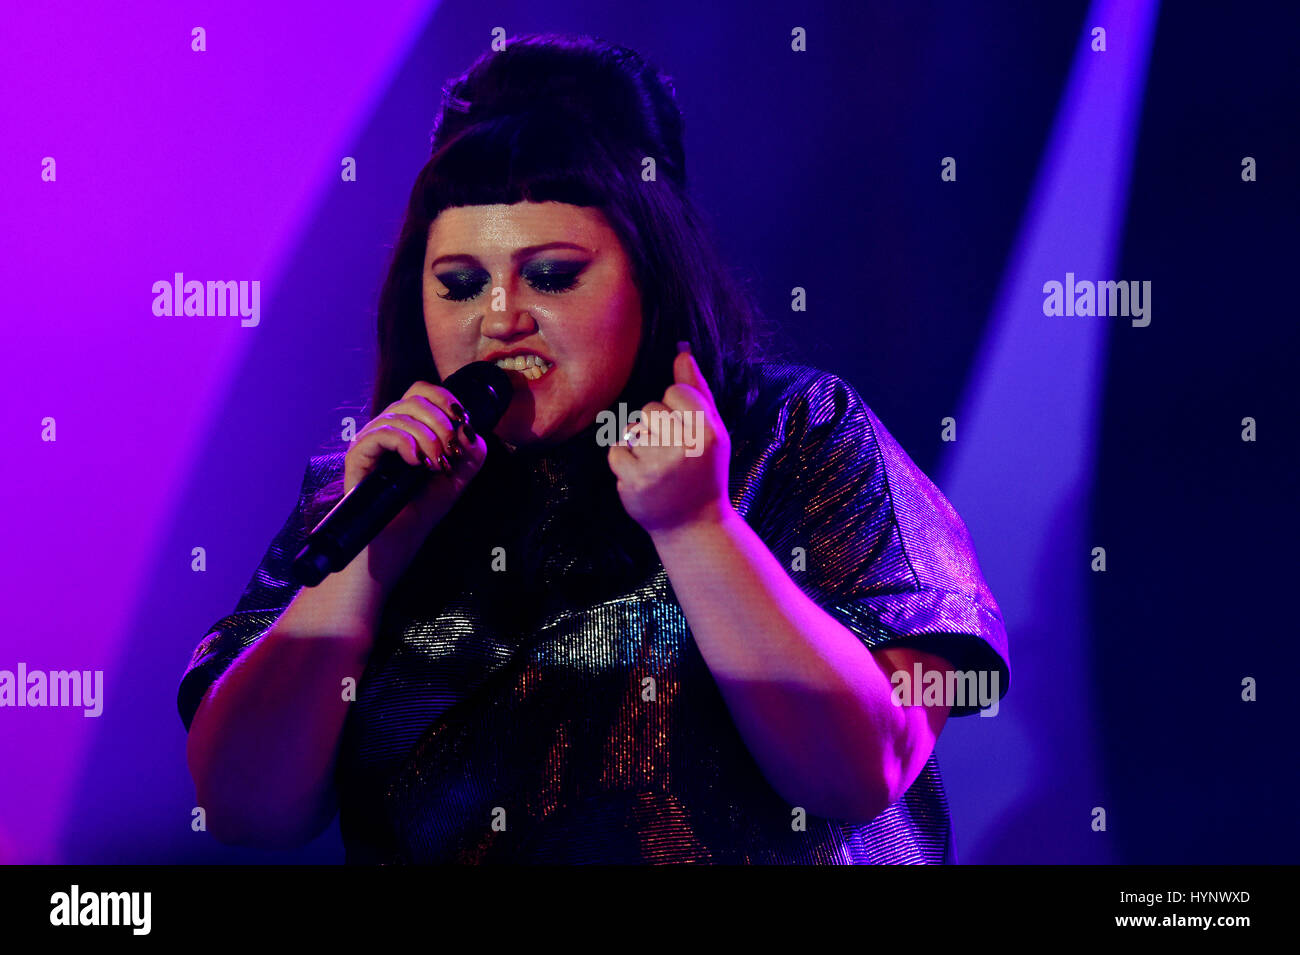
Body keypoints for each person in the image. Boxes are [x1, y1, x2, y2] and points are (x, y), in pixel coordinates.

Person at [178, 32, 1010, 864]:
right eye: (460, 284)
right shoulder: (369, 489)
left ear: (652, 273)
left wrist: (697, 525)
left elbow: (865, 764)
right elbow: (246, 807)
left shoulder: (799, 432)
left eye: (551, 275)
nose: (499, 318)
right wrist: (367, 564)